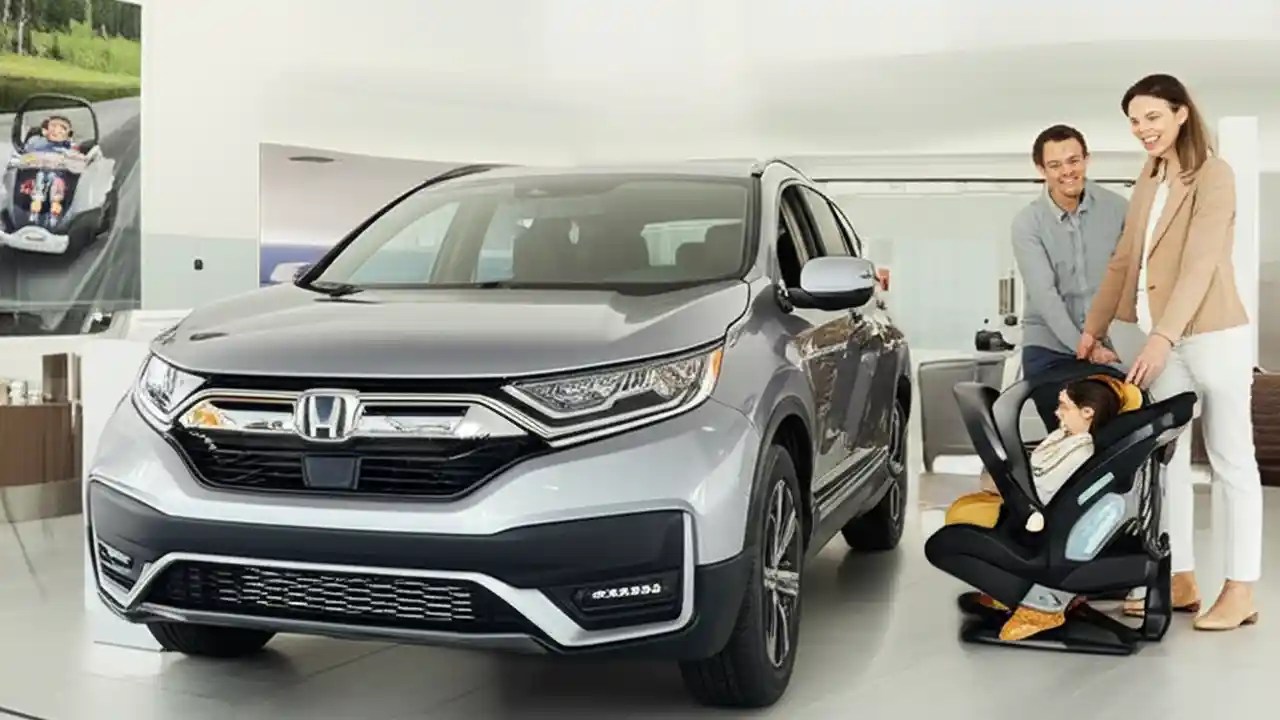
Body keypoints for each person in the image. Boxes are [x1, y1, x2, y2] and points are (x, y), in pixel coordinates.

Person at [1077, 73, 1262, 632]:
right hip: (1165, 338)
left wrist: (1162, 338)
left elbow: (1202, 263)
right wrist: (1095, 325)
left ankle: (1240, 589)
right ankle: (1179, 574)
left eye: (1152, 117)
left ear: (1182, 113)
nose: (1142, 129)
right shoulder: (1150, 177)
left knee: (1231, 460)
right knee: (1165, 459)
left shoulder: (1214, 174)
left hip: (1212, 334)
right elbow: (1123, 258)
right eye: (1134, 120)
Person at [945, 376, 1132, 640]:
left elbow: (1043, 491)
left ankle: (1035, 602)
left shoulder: (1081, 452)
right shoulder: (1064, 438)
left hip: (1036, 521)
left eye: (1064, 407)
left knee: (944, 545)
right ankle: (1013, 593)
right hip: (1026, 509)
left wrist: (1004, 487)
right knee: (965, 513)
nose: (1057, 413)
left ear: (1087, 412)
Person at [1011, 125, 1130, 432]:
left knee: (1115, 434)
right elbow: (1045, 296)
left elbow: (1131, 278)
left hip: (1108, 351)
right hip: (1050, 352)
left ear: (1086, 159)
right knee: (1070, 436)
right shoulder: (1028, 223)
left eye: (1073, 160)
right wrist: (1086, 347)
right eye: (1055, 165)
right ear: (1041, 169)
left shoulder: (1118, 209)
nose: (1067, 171)